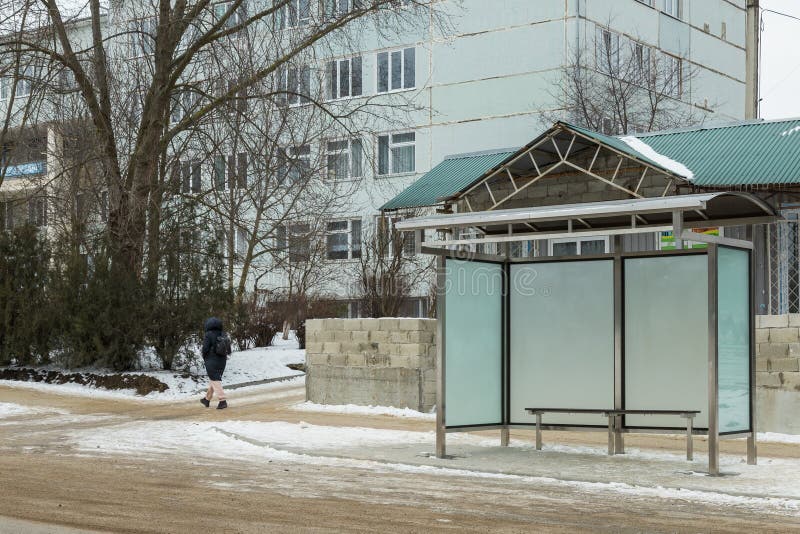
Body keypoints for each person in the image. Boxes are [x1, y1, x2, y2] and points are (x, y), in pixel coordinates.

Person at [201, 317, 230, 409]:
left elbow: (205, 348)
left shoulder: (208, 334)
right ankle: (207, 399)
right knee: (214, 379)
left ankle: (222, 400)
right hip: (222, 359)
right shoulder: (223, 334)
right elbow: (228, 349)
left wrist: (204, 356)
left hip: (211, 359)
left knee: (214, 379)